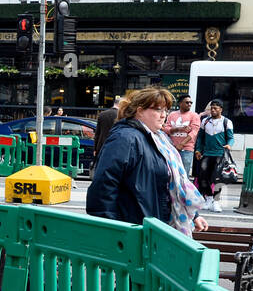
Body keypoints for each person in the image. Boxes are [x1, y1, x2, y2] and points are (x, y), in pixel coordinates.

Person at [86, 87, 208, 235]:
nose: (164, 115)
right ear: (140, 110)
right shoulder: (125, 138)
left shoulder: (159, 139)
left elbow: (171, 184)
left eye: (166, 110)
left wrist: (194, 215)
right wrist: (112, 231)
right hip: (133, 230)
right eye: (158, 110)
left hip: (155, 227)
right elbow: (103, 186)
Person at [194, 100, 233, 210]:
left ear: (221, 109)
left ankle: (216, 201)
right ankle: (209, 199)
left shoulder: (226, 122)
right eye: (212, 108)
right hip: (206, 154)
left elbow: (230, 138)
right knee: (203, 177)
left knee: (216, 179)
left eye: (215, 108)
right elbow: (200, 137)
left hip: (220, 154)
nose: (213, 110)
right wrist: (198, 150)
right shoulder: (205, 121)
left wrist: (229, 145)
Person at [162, 94, 200, 174]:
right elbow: (166, 129)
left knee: (184, 174)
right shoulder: (172, 115)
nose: (189, 104)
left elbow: (194, 132)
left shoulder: (194, 115)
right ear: (180, 103)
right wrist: (179, 129)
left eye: (191, 102)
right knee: (171, 173)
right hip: (172, 148)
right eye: (187, 102)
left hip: (186, 149)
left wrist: (182, 144)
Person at [94, 94, 123, 159]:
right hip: (116, 146)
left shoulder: (102, 114)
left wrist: (95, 148)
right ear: (121, 105)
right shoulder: (122, 116)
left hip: (101, 146)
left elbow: (97, 134)